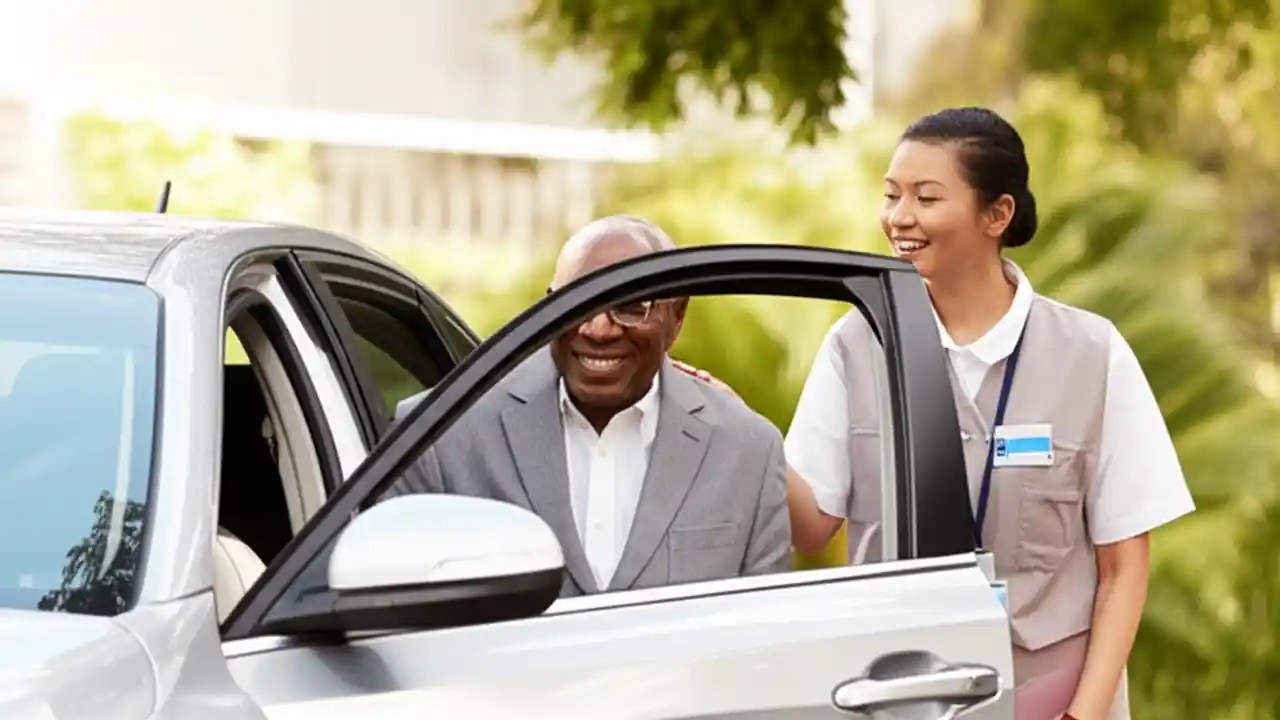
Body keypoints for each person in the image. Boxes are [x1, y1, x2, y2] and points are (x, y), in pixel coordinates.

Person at [781, 107, 1195, 719]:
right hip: (897, 696)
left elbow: (1124, 568)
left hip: (1051, 698)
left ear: (996, 214)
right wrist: (731, 420)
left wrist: (1081, 716)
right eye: (892, 195)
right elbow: (811, 526)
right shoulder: (854, 347)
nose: (899, 218)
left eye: (926, 197)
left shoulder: (1092, 353)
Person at [385, 214, 792, 598]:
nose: (597, 329)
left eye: (631, 306)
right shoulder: (440, 435)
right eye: (577, 302)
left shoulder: (747, 453)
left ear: (678, 314)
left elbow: (763, 645)